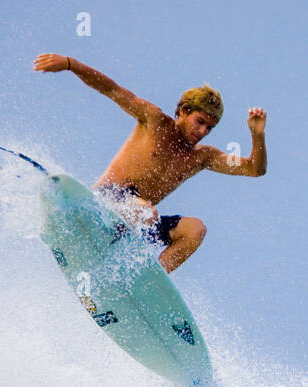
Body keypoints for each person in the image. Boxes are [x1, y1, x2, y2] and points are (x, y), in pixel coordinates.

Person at [32, 53, 266, 273]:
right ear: (184, 111)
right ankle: (97, 239)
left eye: (209, 128)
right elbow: (111, 89)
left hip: (134, 225)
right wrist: (70, 64)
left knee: (195, 229)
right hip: (104, 204)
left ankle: (141, 278)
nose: (203, 131)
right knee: (146, 211)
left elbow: (254, 169)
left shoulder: (202, 157)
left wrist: (257, 135)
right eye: (200, 122)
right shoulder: (153, 120)